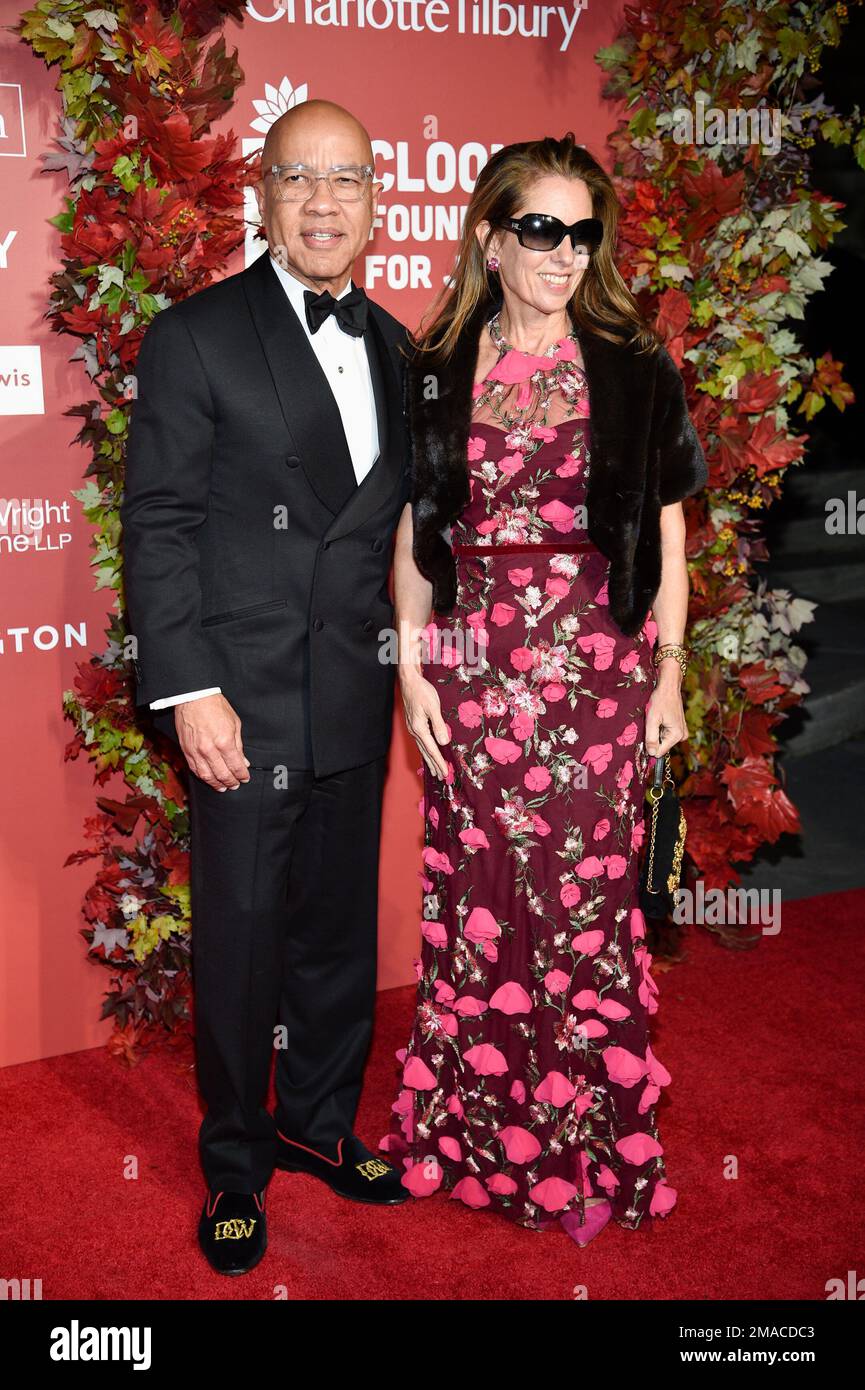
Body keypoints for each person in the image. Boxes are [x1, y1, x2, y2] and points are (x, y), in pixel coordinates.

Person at [379, 133, 707, 1246]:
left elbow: (663, 528)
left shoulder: (634, 367)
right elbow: (416, 529)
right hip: (474, 666)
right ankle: (471, 1135)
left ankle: (584, 1142)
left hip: (594, 670)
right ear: (490, 236)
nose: (564, 254)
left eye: (580, 233)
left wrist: (667, 673)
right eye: (539, 230)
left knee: (580, 904)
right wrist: (413, 664)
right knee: (478, 902)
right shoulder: (436, 365)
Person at [121, 99, 410, 1276]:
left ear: (374, 203)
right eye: (302, 179)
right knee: (242, 949)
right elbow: (160, 525)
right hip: (237, 706)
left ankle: (320, 1122)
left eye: (347, 180)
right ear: (266, 196)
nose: (326, 202)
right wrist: (187, 688)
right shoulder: (194, 337)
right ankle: (236, 1162)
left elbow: (407, 534)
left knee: (338, 937)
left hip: (352, 695)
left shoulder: (398, 346)